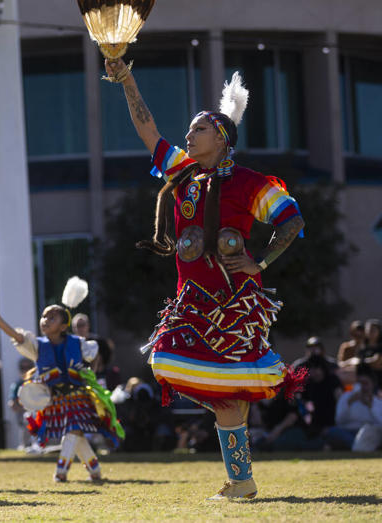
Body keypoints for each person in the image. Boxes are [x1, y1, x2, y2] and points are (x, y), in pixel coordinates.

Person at [106, 58, 305, 499]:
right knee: (170, 363)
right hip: (191, 301)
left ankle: (242, 480)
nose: (188, 136)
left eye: (197, 130)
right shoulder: (181, 172)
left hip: (233, 302)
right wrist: (127, 79)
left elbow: (291, 221)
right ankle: (241, 476)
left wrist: (262, 262)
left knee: (223, 396)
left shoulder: (251, 183)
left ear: (221, 136)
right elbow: (147, 129)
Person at [0, 277, 123, 482]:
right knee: (75, 433)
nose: (45, 320)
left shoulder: (77, 343)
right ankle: (94, 470)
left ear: (63, 326)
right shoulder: (38, 346)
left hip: (78, 396)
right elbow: (17, 337)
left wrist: (91, 374)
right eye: (44, 316)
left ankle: (61, 472)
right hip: (55, 399)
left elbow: (94, 355)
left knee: (73, 431)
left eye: (52, 317)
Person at [325, 365, 382, 451]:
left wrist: (370, 407)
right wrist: (349, 403)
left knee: (377, 433)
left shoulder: (380, 403)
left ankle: (357, 445)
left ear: (372, 385)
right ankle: (358, 445)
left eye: (366, 384)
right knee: (333, 431)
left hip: (369, 433)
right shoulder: (346, 398)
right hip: (349, 432)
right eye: (360, 383)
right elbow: (339, 421)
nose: (363, 387)